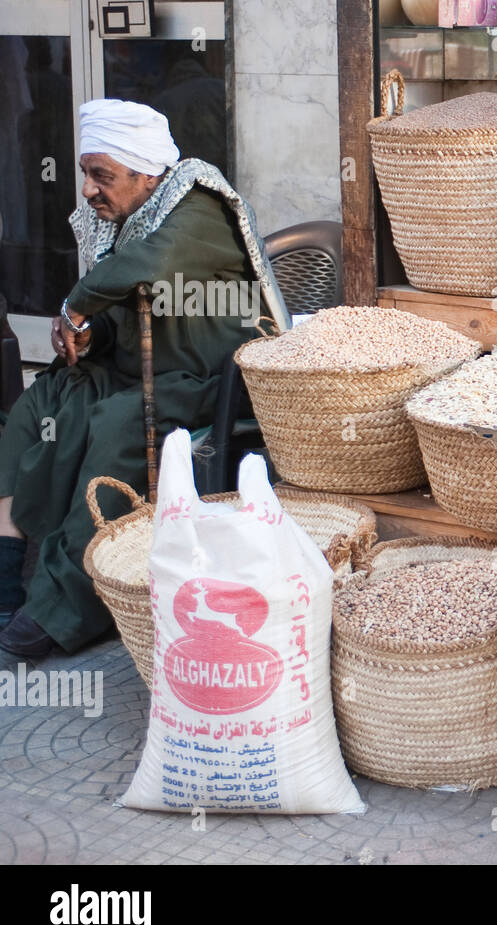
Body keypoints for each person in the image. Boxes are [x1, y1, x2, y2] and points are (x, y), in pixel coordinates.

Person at [0, 99, 285, 665]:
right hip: (139, 371)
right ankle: (8, 576)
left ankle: (69, 602)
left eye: (101, 175)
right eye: (84, 172)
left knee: (119, 425)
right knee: (39, 406)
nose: (86, 189)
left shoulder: (198, 205)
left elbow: (153, 265)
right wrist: (91, 336)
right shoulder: (124, 215)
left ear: (146, 172)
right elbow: (127, 317)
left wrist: (76, 306)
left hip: (213, 379)